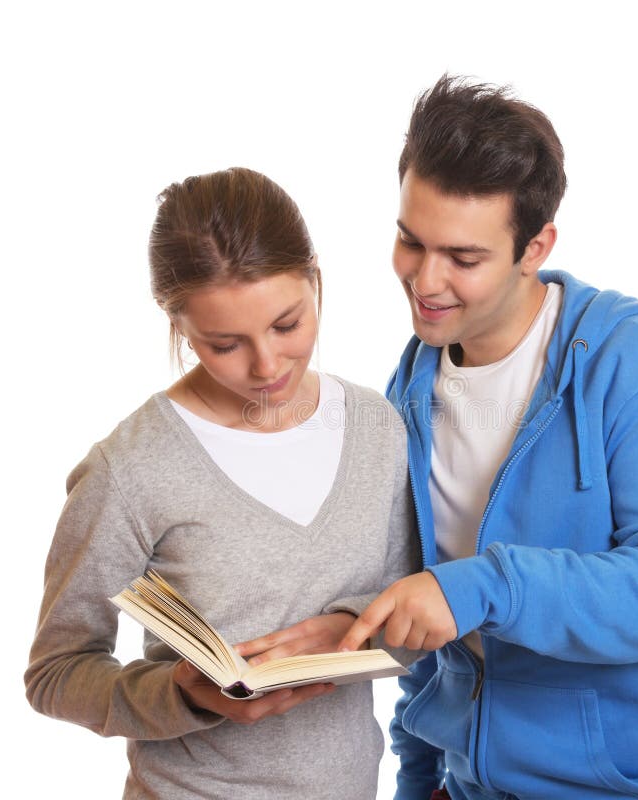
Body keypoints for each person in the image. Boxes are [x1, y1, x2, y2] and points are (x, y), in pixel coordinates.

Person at [339, 76, 638, 799]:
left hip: (637, 788)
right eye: (411, 240)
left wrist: (484, 585)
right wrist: (418, 780)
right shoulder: (409, 390)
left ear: (535, 246)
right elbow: (430, 626)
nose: (425, 280)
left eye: (463, 258)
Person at [25, 167, 419, 799]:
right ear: (178, 324)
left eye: (287, 325)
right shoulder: (128, 470)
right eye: (224, 343)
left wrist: (351, 629)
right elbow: (54, 675)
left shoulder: (380, 428)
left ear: (316, 279)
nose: (267, 366)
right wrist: (181, 694)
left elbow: (419, 624)